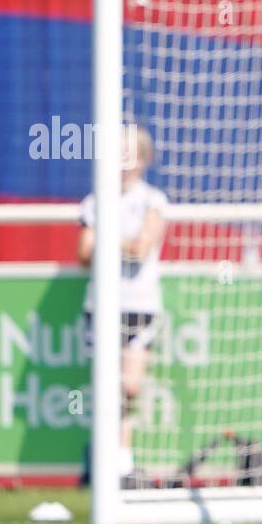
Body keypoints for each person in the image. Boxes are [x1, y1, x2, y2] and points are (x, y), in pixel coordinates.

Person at [77, 125, 168, 479]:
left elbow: (140, 249)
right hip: (100, 306)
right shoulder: (96, 200)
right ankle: (105, 461)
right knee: (106, 386)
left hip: (138, 305)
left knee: (129, 387)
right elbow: (84, 252)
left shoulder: (152, 200)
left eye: (130, 152)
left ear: (144, 158)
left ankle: (122, 458)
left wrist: (108, 238)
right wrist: (118, 241)